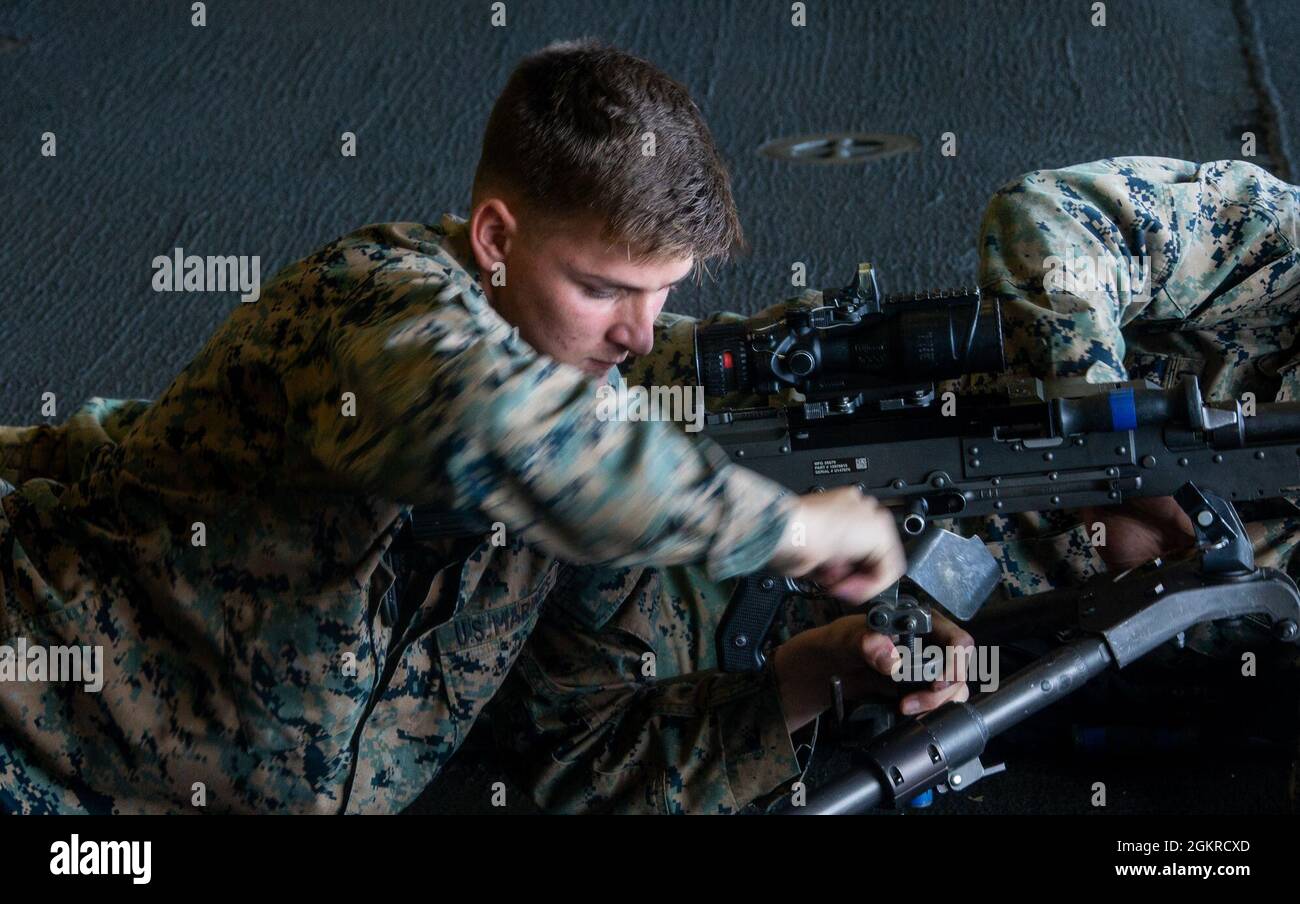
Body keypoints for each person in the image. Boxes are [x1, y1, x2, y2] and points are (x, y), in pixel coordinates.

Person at [0, 39, 969, 815]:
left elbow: (576, 759)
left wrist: (812, 675)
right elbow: (485, 427)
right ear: (496, 239)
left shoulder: (603, 453)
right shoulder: (375, 301)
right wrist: (790, 529)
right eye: (601, 289)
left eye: (663, 293)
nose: (638, 334)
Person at [489, 154, 1300, 812]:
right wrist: (1108, 440)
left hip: (764, 669)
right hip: (748, 429)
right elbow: (1053, 221)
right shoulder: (1286, 254)